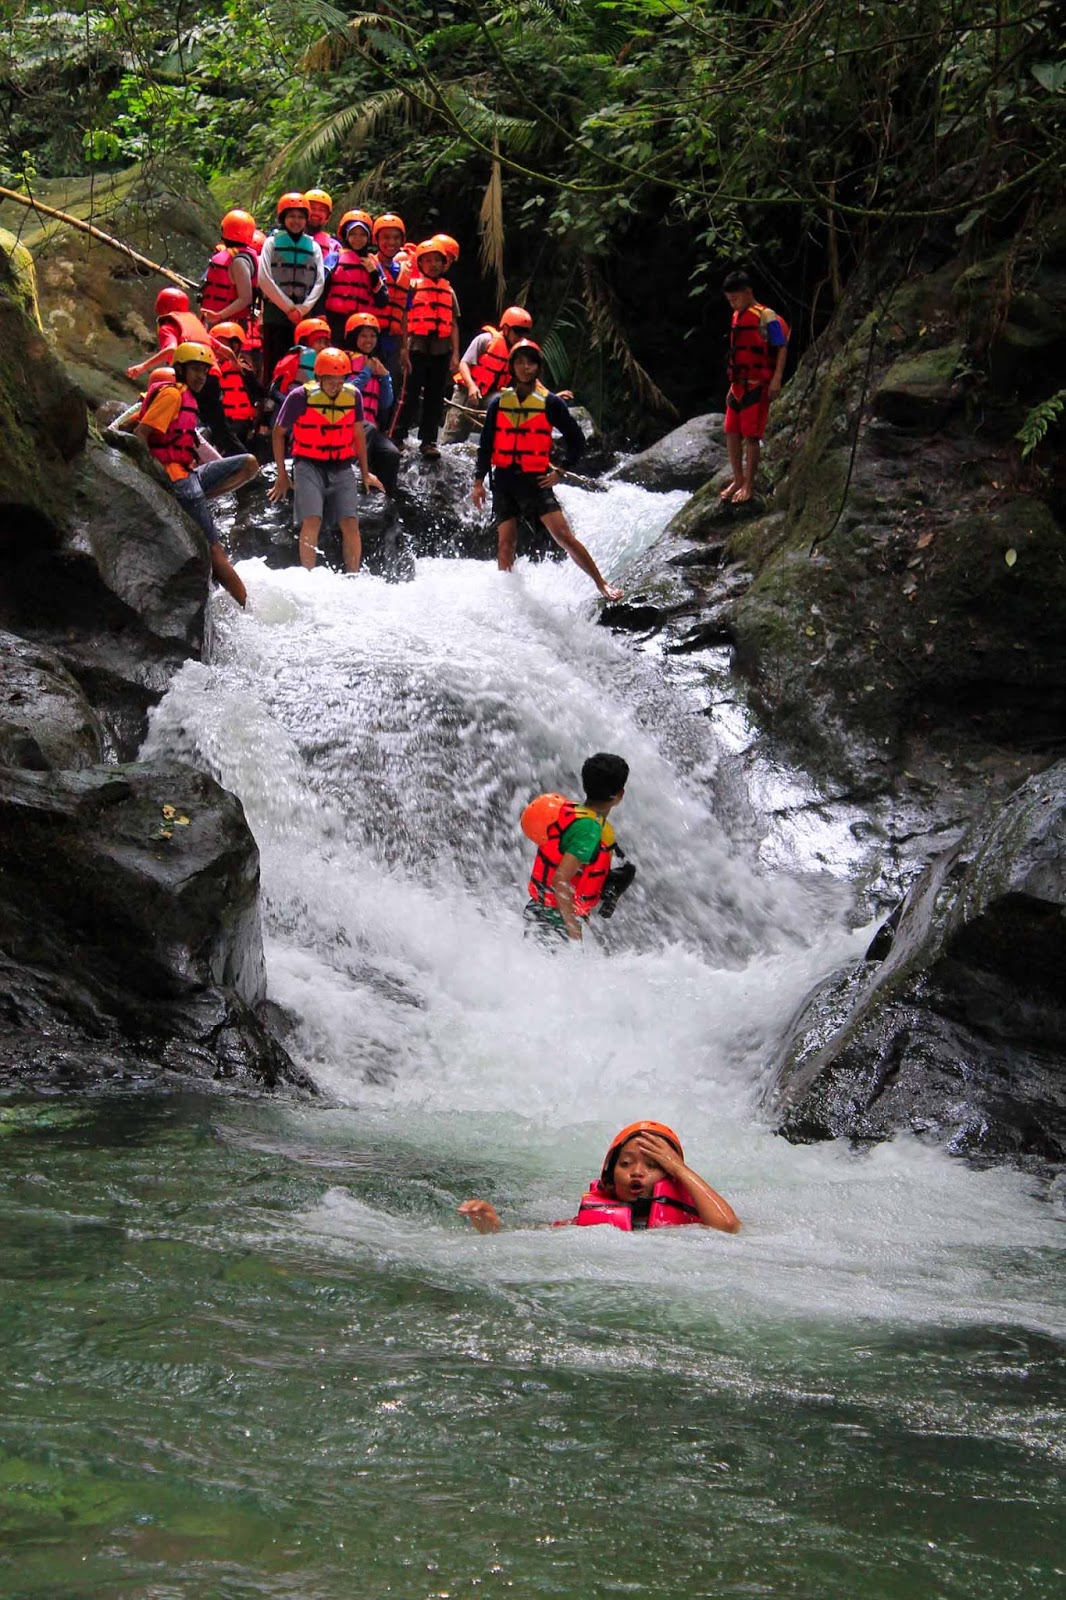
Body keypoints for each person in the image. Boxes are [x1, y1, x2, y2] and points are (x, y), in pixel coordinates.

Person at [472, 340, 622, 601]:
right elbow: (486, 445)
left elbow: (577, 440)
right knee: (505, 544)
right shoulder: (498, 403)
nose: (525, 366)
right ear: (512, 367)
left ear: (538, 367)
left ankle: (601, 583)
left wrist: (561, 472)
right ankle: (507, 600)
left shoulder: (551, 403)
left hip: (535, 481)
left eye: (530, 361)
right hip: (505, 481)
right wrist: (478, 482)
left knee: (563, 536)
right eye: (519, 361)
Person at [125, 340, 257, 606]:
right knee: (216, 551)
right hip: (177, 479)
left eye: (204, 371)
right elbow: (141, 435)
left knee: (249, 464)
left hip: (190, 475)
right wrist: (154, 480)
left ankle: (198, 501)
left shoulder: (187, 397)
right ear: (181, 369)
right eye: (196, 369)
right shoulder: (172, 395)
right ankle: (246, 607)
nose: (201, 376)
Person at [460, 1121, 741, 1234]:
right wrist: (491, 1226)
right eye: (626, 1163)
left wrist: (677, 1166)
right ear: (609, 1175)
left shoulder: (694, 1221)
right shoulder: (589, 1222)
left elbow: (728, 1226)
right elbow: (526, 1239)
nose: (637, 1172)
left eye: (653, 1165)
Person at [268, 345, 384, 573]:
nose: (336, 387)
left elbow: (358, 435)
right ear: (319, 377)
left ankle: (354, 576)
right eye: (331, 381)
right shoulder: (299, 396)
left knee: (350, 522)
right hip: (307, 463)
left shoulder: (353, 396)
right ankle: (309, 576)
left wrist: (364, 472)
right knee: (312, 519)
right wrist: (282, 474)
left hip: (341, 465)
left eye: (341, 381)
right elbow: (278, 433)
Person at [522, 752, 630, 944]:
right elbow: (560, 880)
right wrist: (573, 932)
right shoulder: (588, 830)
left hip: (542, 911)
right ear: (620, 795)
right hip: (554, 920)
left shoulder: (575, 813)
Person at [720, 270, 789, 505]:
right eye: (730, 301)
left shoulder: (767, 316)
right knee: (730, 430)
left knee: (751, 435)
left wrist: (777, 379)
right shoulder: (737, 316)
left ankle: (749, 484)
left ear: (748, 292)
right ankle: (738, 478)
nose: (733, 304)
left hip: (757, 385)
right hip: (737, 385)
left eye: (736, 299)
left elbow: (781, 346)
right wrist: (732, 385)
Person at [393, 236, 461, 460]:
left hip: (441, 349)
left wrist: (456, 355)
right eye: (427, 260)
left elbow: (453, 324)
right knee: (409, 393)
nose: (432, 264)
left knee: (435, 396)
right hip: (417, 347)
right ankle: (398, 435)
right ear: (420, 264)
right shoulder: (412, 287)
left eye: (437, 260)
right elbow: (403, 319)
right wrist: (403, 349)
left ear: (444, 264)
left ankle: (429, 441)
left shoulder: (449, 291)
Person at [257, 192, 326, 385]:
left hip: (303, 317)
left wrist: (302, 309)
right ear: (283, 218)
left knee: (302, 364)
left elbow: (319, 282)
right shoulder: (272, 242)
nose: (296, 221)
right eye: (291, 216)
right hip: (276, 314)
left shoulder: (314, 246)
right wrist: (288, 307)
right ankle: (270, 405)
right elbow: (264, 278)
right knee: (274, 363)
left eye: (300, 217)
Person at [441, 304, 533, 445]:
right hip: (467, 392)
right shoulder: (486, 340)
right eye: (517, 333)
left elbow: (528, 379)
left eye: (524, 334)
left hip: (490, 396)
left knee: (507, 402)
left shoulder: (518, 352)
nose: (520, 338)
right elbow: (464, 364)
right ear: (506, 329)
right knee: (453, 438)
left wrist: (546, 396)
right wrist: (471, 386)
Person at [344, 312, 401, 495]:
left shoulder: (377, 363)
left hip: (371, 427)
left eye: (372, 336)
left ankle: (385, 498)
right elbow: (345, 393)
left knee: (391, 453)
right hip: (346, 424)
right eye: (363, 336)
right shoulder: (343, 360)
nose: (369, 340)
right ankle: (352, 483)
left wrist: (385, 378)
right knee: (366, 429)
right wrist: (366, 372)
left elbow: (386, 403)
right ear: (354, 337)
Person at [322, 210, 390, 345]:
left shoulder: (373, 263)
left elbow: (382, 301)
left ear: (368, 237)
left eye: (362, 234)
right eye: (352, 234)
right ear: (345, 236)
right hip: (336, 321)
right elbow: (321, 290)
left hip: (362, 325)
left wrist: (373, 273)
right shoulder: (334, 258)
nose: (357, 239)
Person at [125, 287, 213, 383]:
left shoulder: (168, 327)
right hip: (209, 375)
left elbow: (171, 349)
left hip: (190, 375)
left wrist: (143, 366)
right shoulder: (195, 325)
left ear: (162, 305)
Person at [371, 211, 411, 418]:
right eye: (386, 237)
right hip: (370, 337)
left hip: (392, 339)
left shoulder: (403, 272)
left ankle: (387, 431)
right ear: (376, 239)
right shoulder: (370, 266)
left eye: (396, 238)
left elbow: (404, 314)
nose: (391, 242)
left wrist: (404, 347)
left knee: (391, 384)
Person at [199, 209, 258, 332]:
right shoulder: (229, 255)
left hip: (230, 323)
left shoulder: (239, 261)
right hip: (216, 320)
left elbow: (245, 298)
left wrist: (219, 315)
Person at [210, 321, 266, 445]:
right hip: (220, 422)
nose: (215, 348)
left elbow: (259, 395)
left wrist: (258, 420)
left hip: (242, 423)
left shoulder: (244, 370)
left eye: (220, 344)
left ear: (234, 346)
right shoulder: (212, 370)